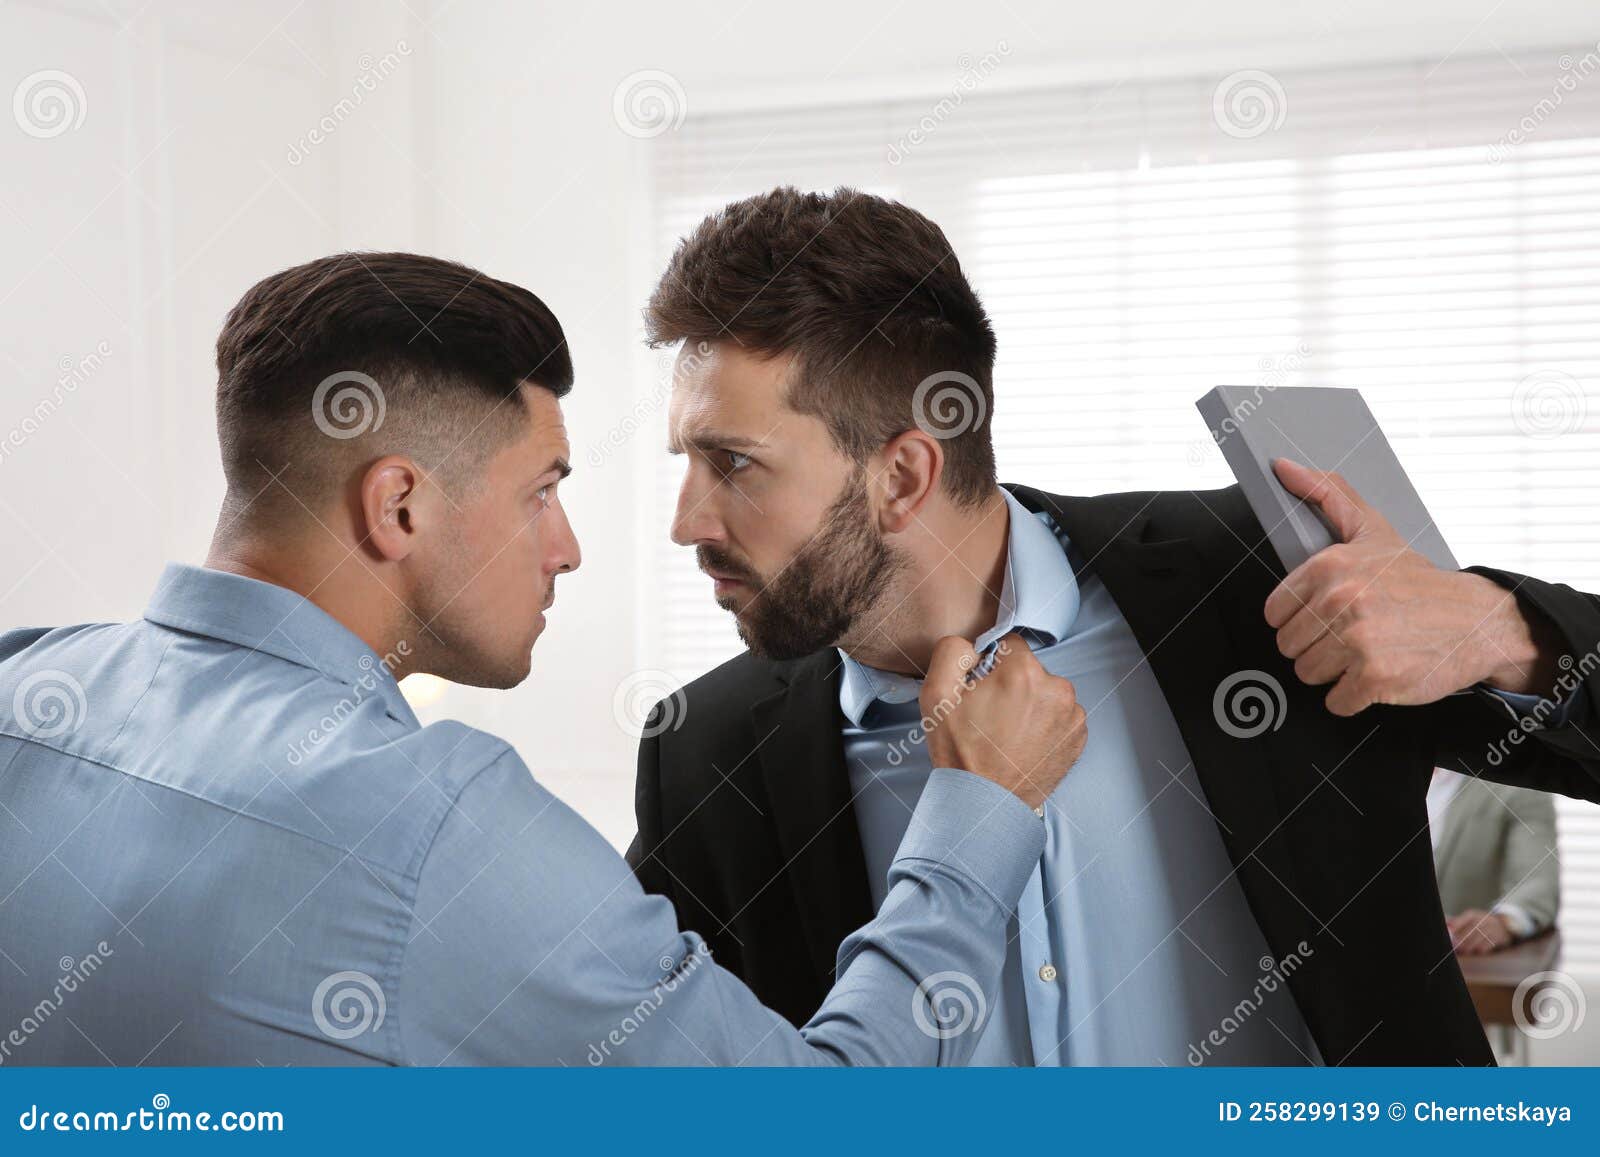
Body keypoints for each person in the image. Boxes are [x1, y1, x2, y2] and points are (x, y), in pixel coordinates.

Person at [0, 251, 1090, 1066]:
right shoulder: (444, 832)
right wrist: (980, 810)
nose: (566, 548)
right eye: (541, 491)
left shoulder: (22, 689)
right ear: (399, 503)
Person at [628, 186, 1600, 1066]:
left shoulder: (1261, 576)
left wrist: (1498, 630)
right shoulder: (706, 755)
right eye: (685, 462)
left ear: (904, 475)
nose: (685, 521)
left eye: (733, 464)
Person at [1428, 768, 1560, 954]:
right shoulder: (1387, 776)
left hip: (1466, 961)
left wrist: (1503, 921)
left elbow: (1538, 881)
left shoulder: (1519, 783)